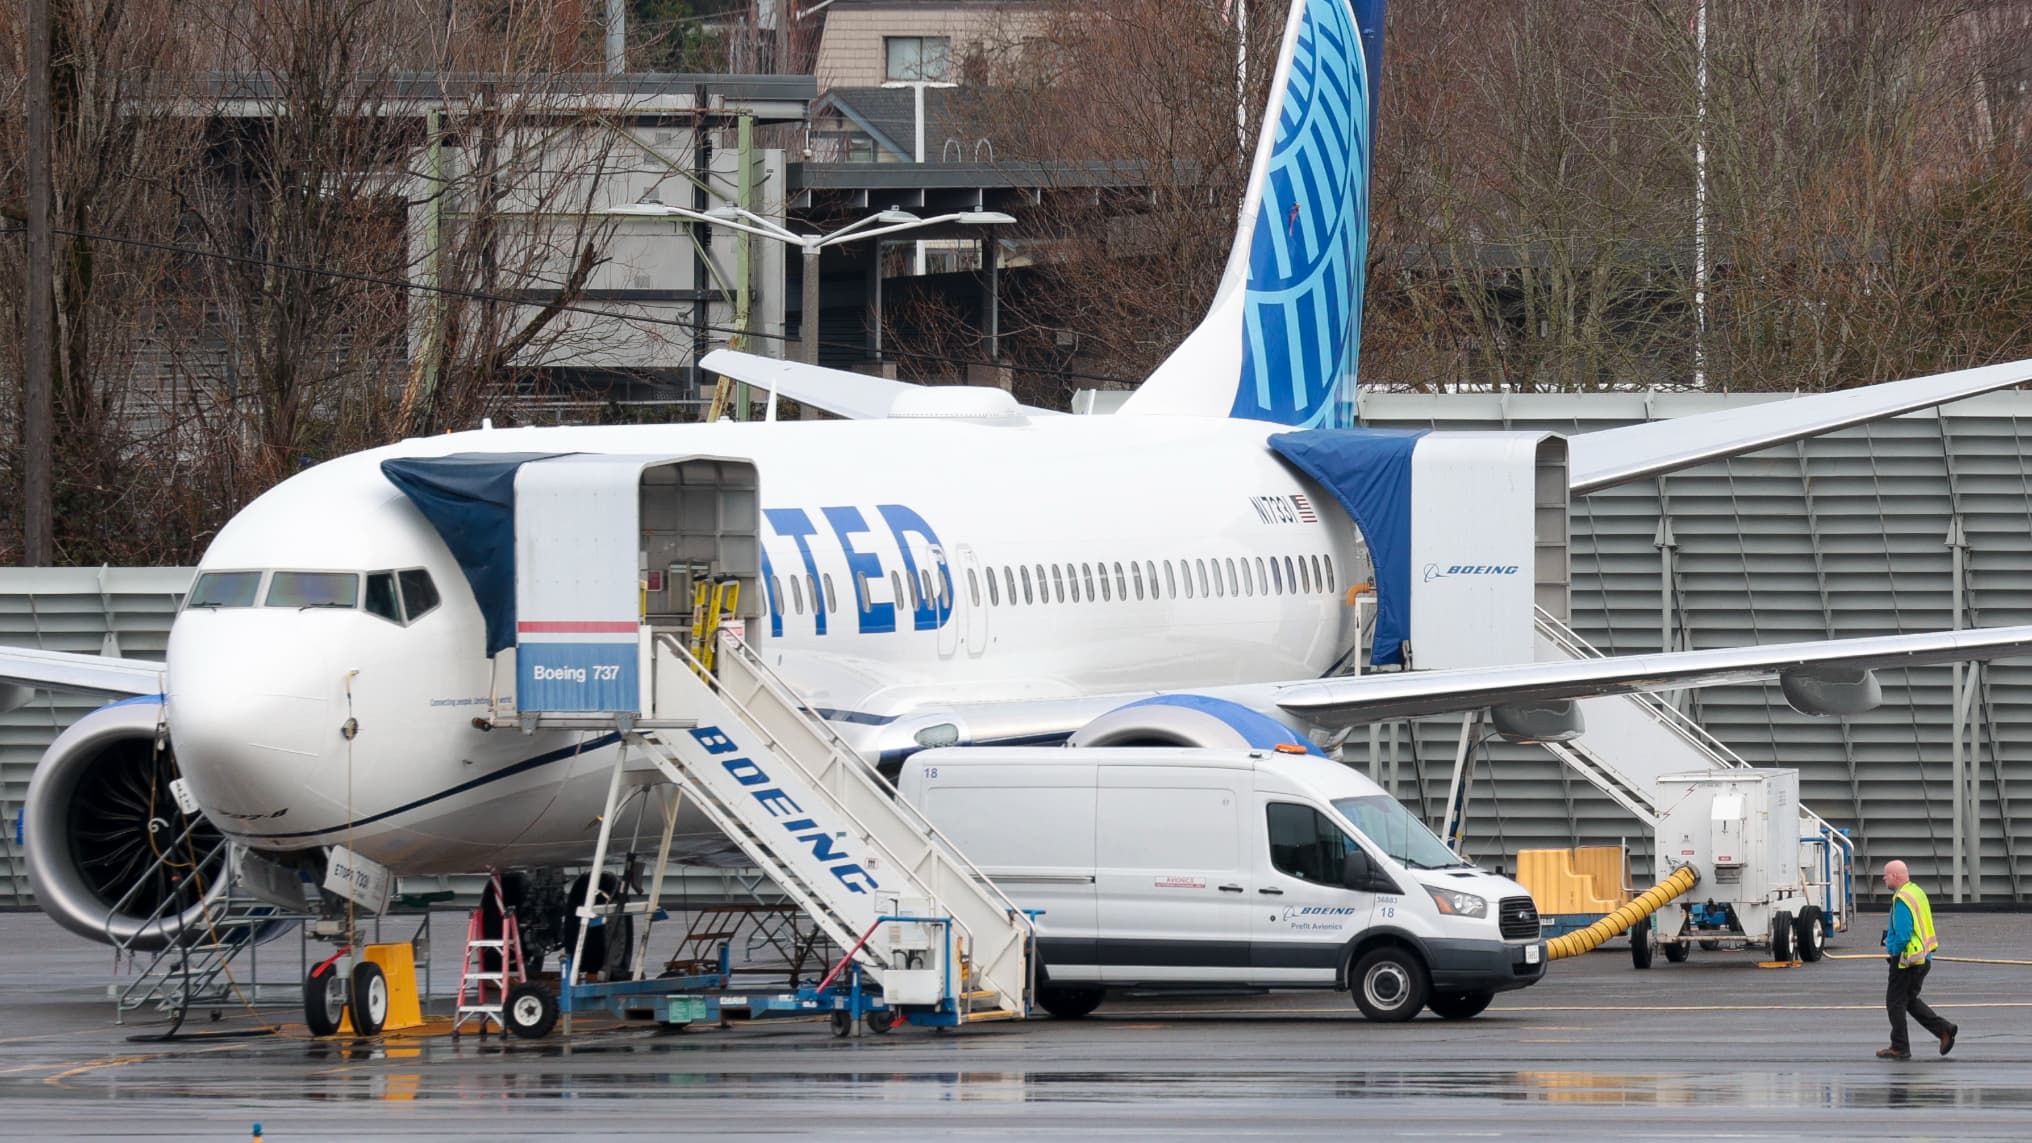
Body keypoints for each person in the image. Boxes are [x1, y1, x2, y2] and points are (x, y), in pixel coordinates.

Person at [1877, 860, 1957, 1060]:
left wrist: (1893, 951)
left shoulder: (1901, 899)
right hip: (1923, 958)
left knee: (1894, 1002)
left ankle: (1900, 1047)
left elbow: (1904, 935)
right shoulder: (1916, 892)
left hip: (1907, 960)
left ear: (1895, 876)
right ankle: (1944, 1030)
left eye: (1885, 875)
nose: (1884, 878)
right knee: (1909, 1000)